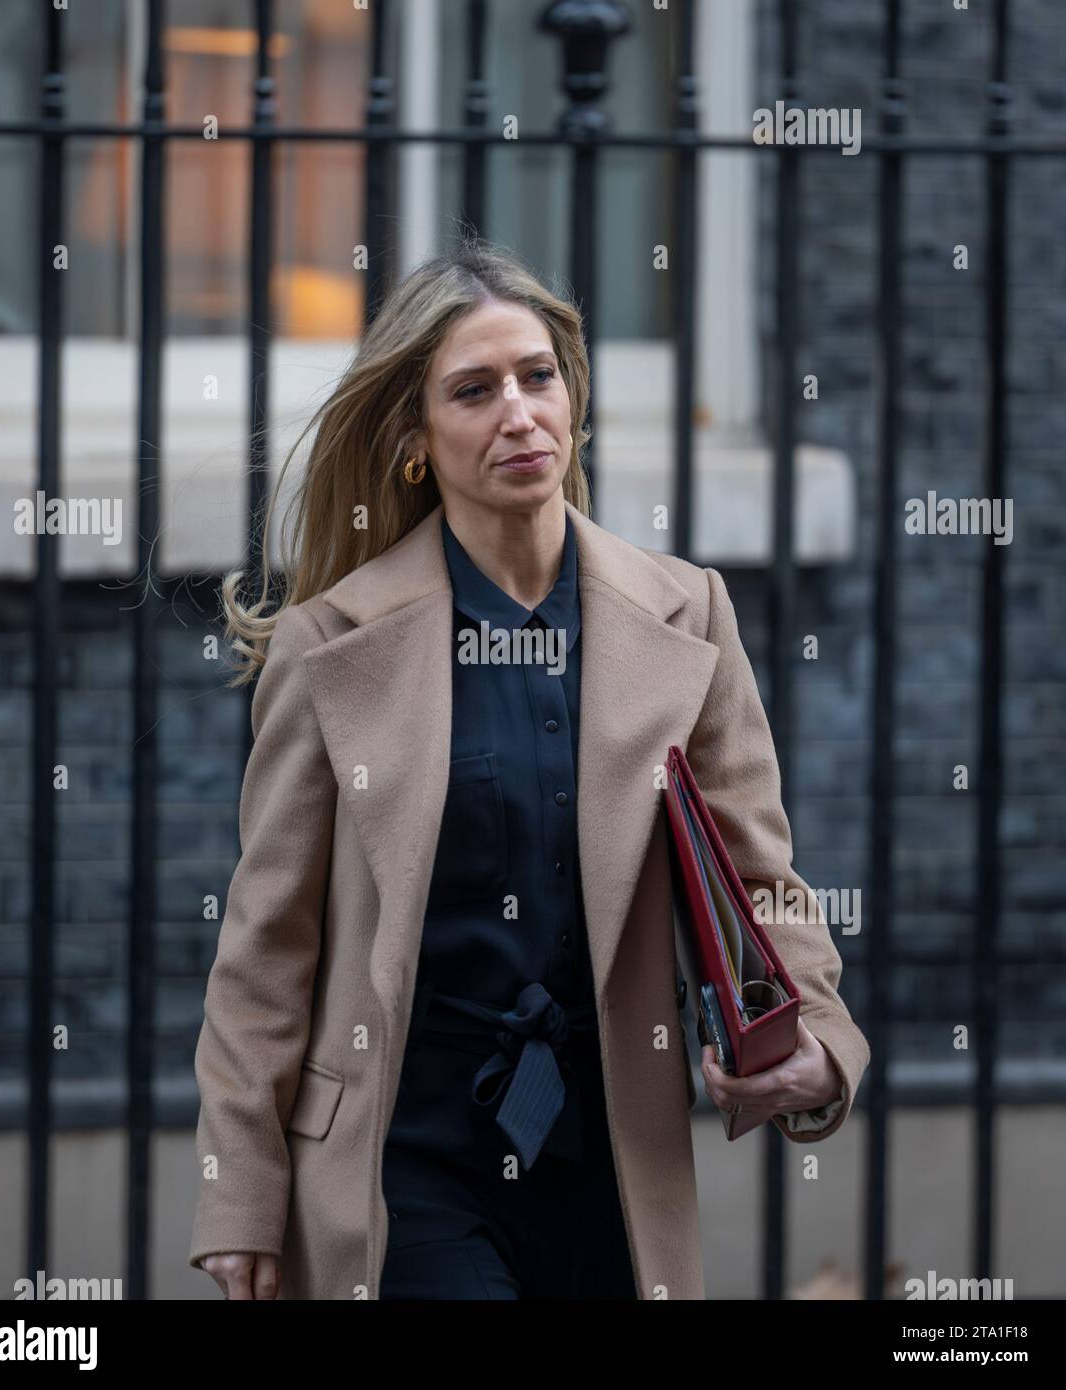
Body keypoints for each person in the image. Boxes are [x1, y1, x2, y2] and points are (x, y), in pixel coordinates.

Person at [190, 238, 870, 1301]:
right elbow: (267, 947)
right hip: (404, 1162)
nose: (517, 411)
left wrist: (820, 1039)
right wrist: (239, 1190)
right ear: (415, 438)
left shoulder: (685, 614)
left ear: (571, 400)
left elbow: (761, 882)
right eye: (473, 390)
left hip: (611, 1156)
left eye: (537, 376)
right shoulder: (330, 647)